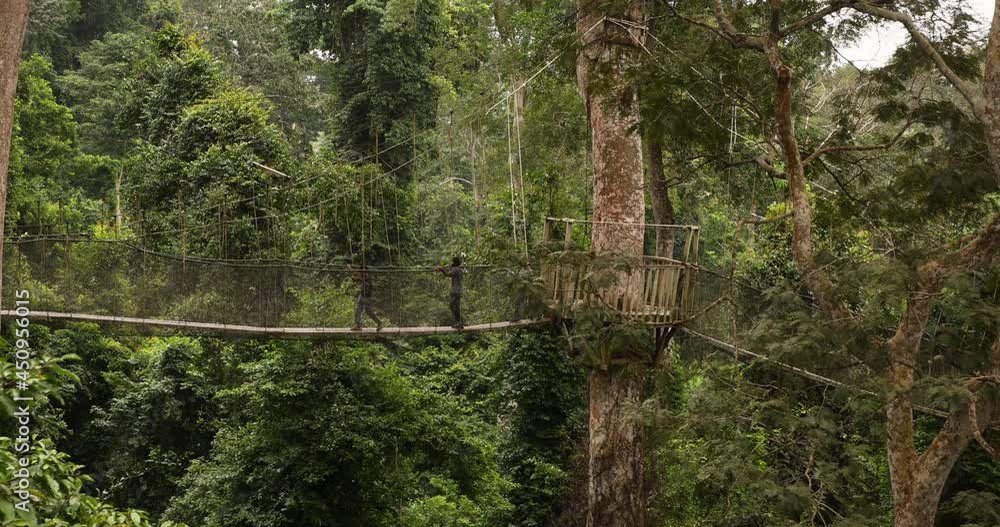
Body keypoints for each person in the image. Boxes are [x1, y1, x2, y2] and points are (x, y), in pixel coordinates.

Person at [435, 256, 464, 329]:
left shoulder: (456, 269)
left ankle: (459, 321)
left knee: (452, 305)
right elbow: (451, 269)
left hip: (455, 290)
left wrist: (441, 269)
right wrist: (444, 268)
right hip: (458, 290)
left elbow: (448, 274)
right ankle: (459, 322)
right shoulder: (459, 269)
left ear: (455, 263)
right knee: (455, 306)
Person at [352, 264, 382, 331]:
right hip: (362, 295)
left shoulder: (369, 278)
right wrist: (355, 278)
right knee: (358, 310)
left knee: (368, 312)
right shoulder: (362, 276)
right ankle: (358, 325)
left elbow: (370, 286)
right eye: (361, 272)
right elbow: (355, 280)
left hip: (368, 297)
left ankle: (379, 322)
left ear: (366, 272)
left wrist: (361, 280)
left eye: (364, 272)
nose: (362, 273)